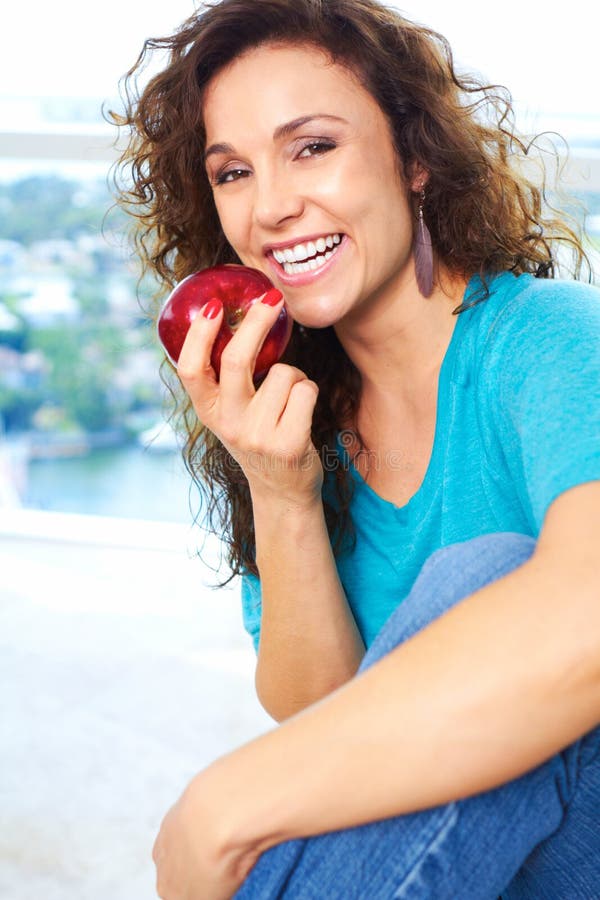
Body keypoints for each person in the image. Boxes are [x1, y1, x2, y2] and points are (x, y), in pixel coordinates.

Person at [113, 0, 600, 897]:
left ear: (414, 158)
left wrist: (228, 801)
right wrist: (283, 491)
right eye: (232, 172)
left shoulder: (554, 343)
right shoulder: (298, 412)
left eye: (312, 147)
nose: (271, 207)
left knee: (484, 585)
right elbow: (323, 720)